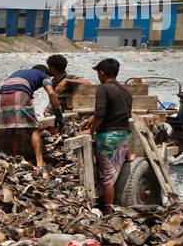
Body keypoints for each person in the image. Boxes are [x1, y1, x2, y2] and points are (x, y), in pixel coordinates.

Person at [80, 57, 132, 214]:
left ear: (102, 73)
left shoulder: (103, 88)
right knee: (112, 170)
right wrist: (91, 119)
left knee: (106, 179)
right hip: (124, 134)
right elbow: (121, 112)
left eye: (98, 73)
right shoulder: (125, 91)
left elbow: (100, 114)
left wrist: (91, 131)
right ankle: (128, 155)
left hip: (109, 137)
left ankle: (108, 212)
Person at [0, 63, 62, 173]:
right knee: (34, 129)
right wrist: (58, 112)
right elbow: (51, 93)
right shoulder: (44, 75)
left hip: (2, 94)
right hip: (19, 93)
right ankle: (40, 162)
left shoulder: (21, 73)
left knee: (15, 129)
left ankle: (15, 160)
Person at [45, 54, 91, 131]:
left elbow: (87, 82)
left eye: (49, 67)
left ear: (52, 68)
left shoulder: (69, 77)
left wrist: (67, 81)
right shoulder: (53, 80)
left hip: (65, 115)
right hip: (53, 114)